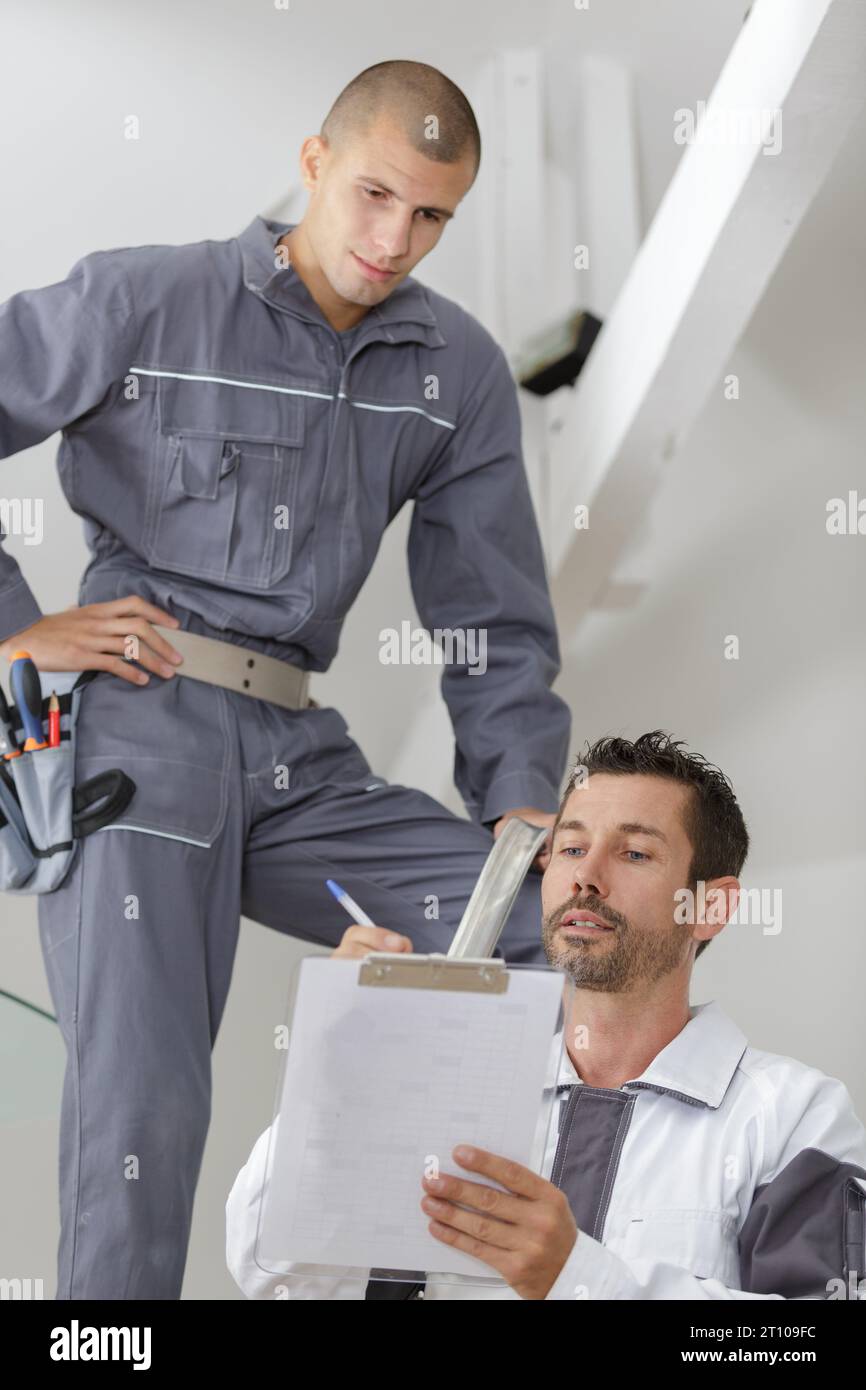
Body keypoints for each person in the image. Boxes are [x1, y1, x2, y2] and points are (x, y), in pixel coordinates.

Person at [0, 60, 571, 1299]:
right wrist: (12, 638)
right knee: (142, 1113)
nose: (392, 239)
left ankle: (384, 1269)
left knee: (533, 934)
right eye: (373, 194)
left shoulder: (454, 373)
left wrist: (521, 802)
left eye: (430, 216)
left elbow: (492, 618)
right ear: (313, 164)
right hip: (136, 745)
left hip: (299, 760)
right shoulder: (149, 299)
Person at [226, 732, 866, 1300]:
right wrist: (338, 1076)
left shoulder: (791, 1118)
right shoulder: (439, 1085)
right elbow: (276, 1277)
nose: (586, 876)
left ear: (710, 907)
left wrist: (579, 1278)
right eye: (569, 849)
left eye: (634, 854)